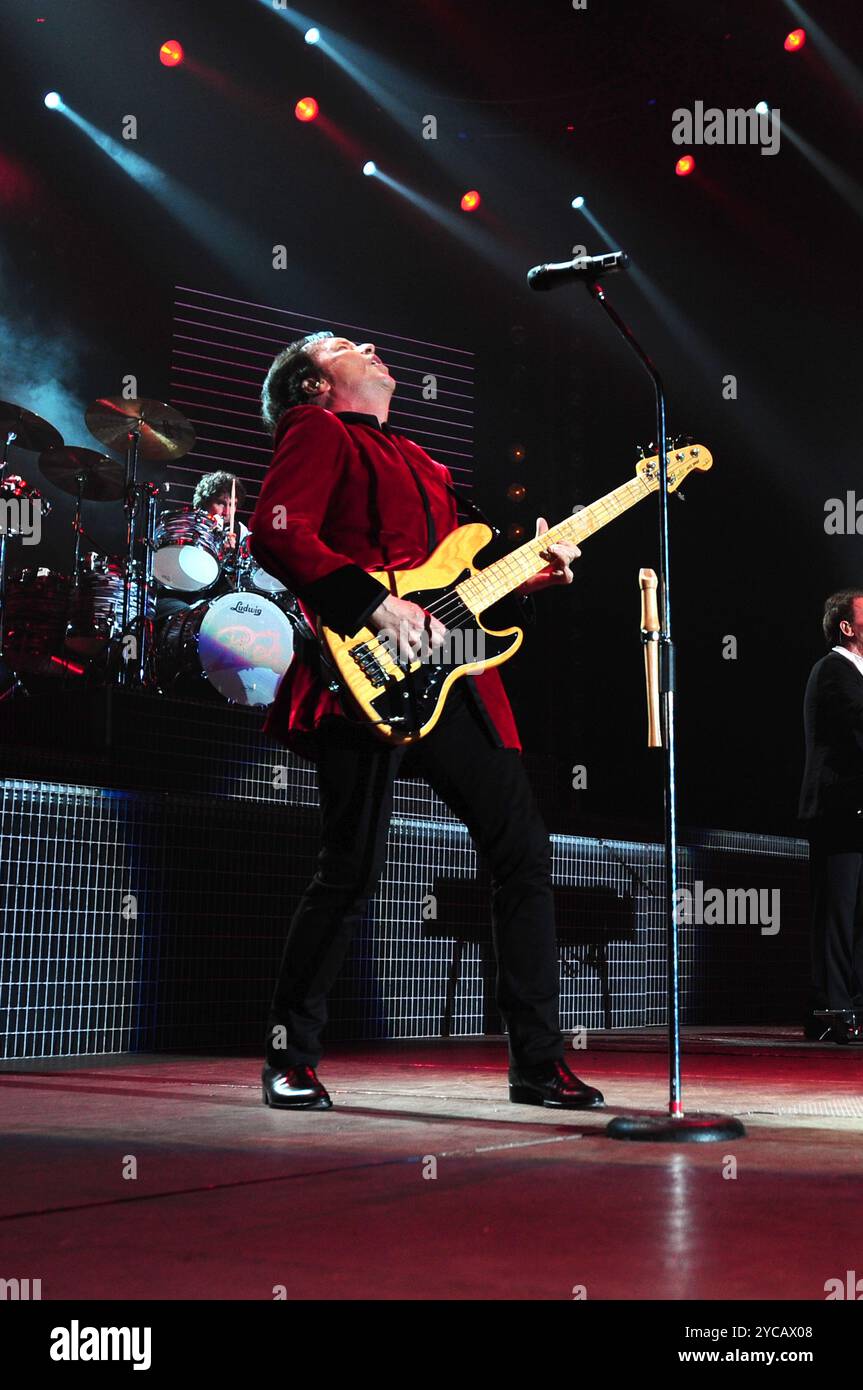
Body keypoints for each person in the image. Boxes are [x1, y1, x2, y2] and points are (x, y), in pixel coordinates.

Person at [249, 331, 605, 1110]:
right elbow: (276, 529)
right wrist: (373, 604)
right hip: (359, 672)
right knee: (348, 870)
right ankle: (290, 1054)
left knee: (523, 855)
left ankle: (538, 1062)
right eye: (343, 345)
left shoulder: (429, 464)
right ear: (312, 386)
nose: (371, 345)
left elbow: (455, 601)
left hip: (450, 675)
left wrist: (527, 583)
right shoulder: (317, 430)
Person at [799, 589, 863, 1044]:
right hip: (839, 809)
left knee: (856, 915)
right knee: (838, 913)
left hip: (855, 810)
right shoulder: (834, 671)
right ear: (847, 626)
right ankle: (831, 1009)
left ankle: (852, 1006)